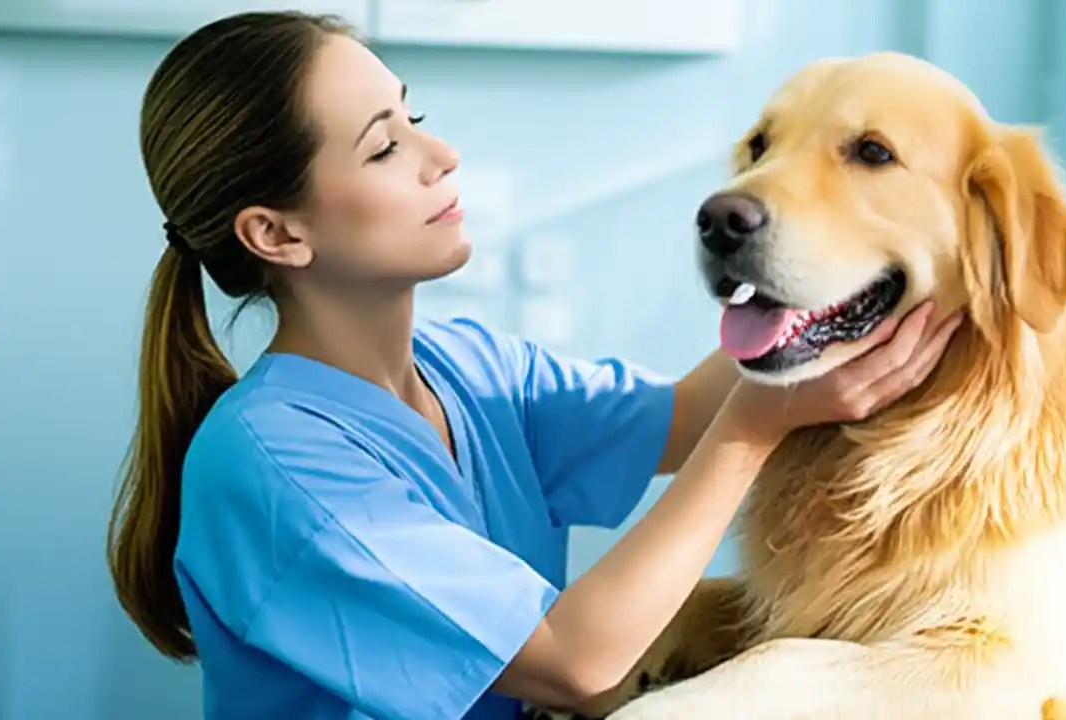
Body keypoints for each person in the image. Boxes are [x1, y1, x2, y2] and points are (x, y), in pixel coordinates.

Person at [105, 11, 962, 720]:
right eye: (381, 148)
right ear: (277, 234)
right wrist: (753, 430)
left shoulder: (469, 369)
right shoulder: (273, 465)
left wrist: (825, 298)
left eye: (416, 119)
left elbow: (679, 413)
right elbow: (574, 663)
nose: (441, 158)